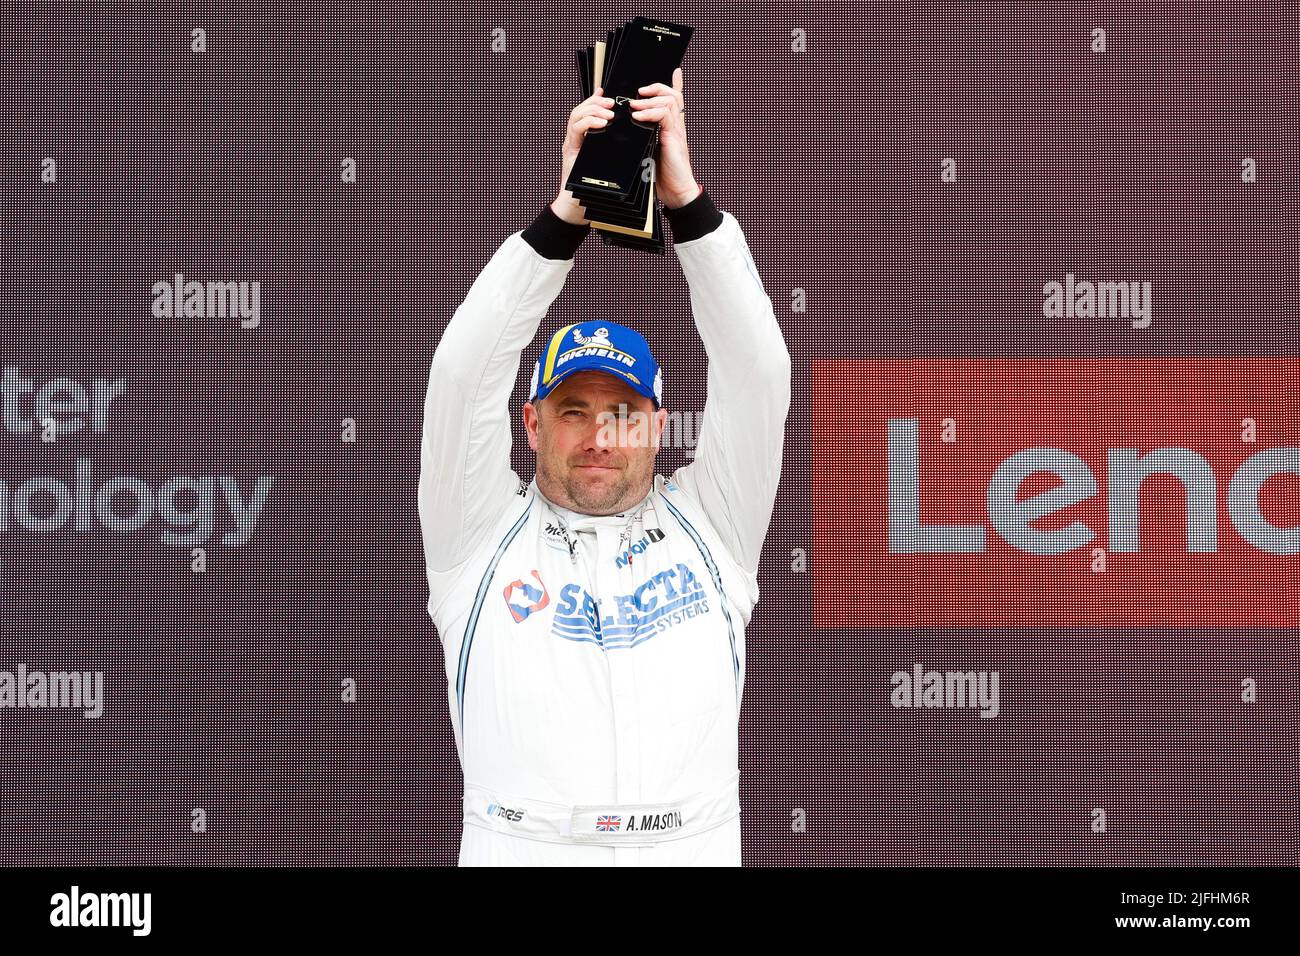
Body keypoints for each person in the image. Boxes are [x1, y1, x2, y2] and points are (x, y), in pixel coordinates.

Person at [418, 68, 791, 866]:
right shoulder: (476, 533)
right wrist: (566, 216)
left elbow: (758, 370)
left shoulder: (715, 523)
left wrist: (686, 203)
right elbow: (461, 375)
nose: (598, 436)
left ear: (656, 425)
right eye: (572, 411)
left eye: (621, 412)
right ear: (531, 423)